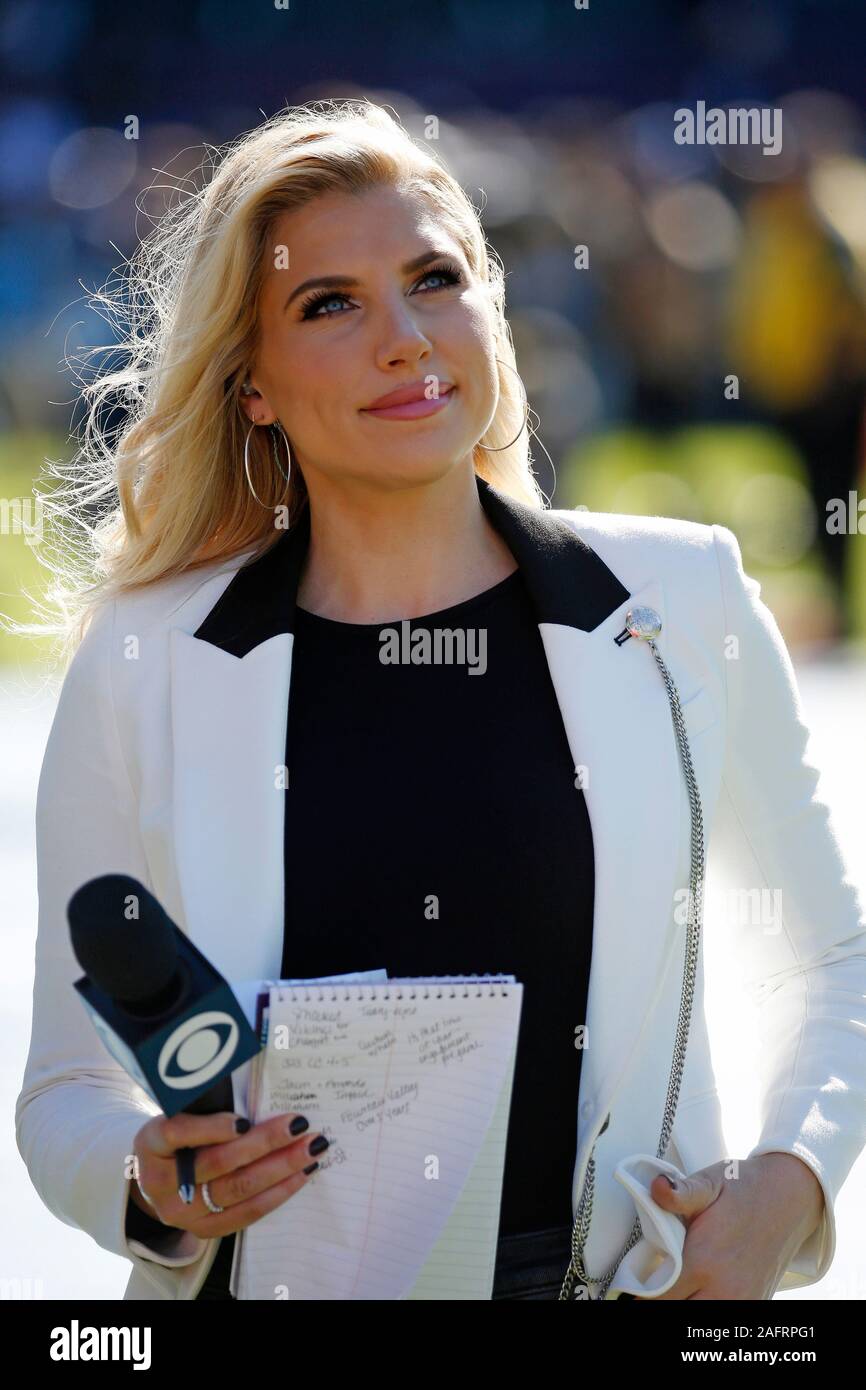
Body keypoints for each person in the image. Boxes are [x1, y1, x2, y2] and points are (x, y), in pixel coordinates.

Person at [15, 99, 866, 1302]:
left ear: (493, 310)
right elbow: (65, 1092)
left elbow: (829, 957)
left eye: (434, 279)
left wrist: (787, 1188)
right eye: (329, 304)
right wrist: (151, 1185)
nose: (405, 337)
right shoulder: (146, 659)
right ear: (250, 383)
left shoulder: (684, 599)